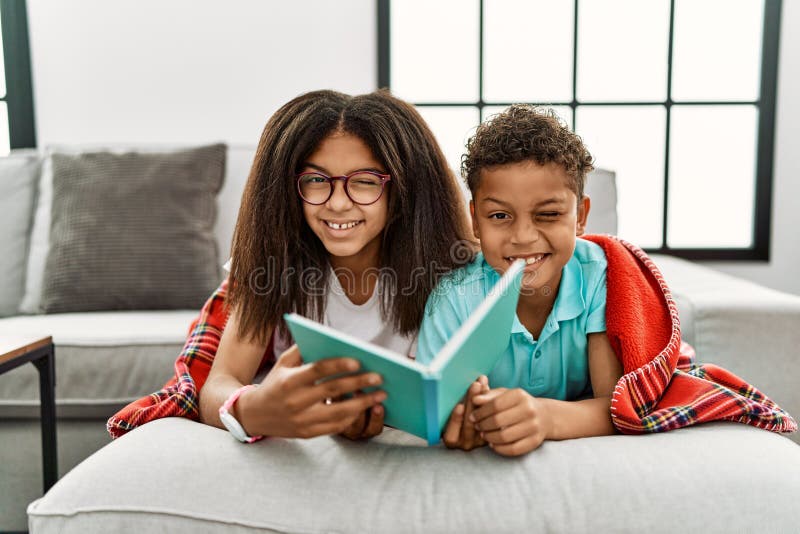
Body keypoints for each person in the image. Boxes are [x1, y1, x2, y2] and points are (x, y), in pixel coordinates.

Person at [197, 89, 474, 443]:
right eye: (315, 181)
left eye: (365, 182)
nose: (338, 203)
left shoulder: (449, 271)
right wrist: (255, 408)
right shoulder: (273, 266)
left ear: (404, 191)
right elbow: (217, 385)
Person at [416, 104, 623, 456]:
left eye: (548, 214)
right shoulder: (454, 299)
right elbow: (436, 414)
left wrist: (546, 418)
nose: (523, 236)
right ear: (475, 222)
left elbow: (617, 408)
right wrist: (461, 422)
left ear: (581, 217)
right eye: (499, 215)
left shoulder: (599, 274)